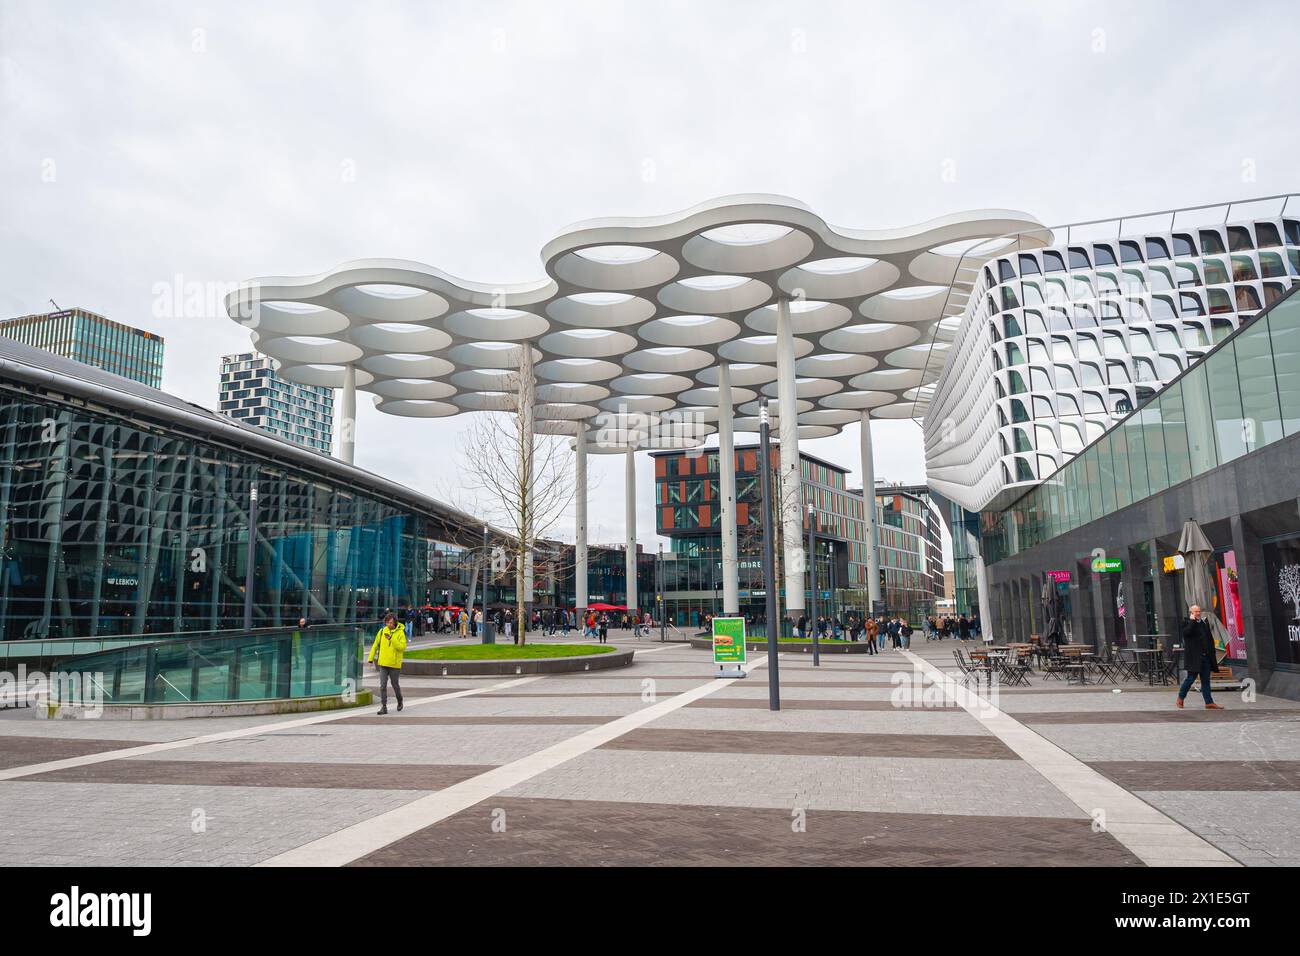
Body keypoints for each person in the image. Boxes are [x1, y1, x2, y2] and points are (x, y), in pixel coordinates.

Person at [1177, 605, 1223, 710]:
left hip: (1205, 657)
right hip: (1194, 658)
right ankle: (1181, 697)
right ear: (1191, 613)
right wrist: (1192, 622)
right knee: (1190, 679)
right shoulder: (1186, 623)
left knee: (1205, 680)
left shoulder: (1203, 623)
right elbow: (1186, 633)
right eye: (1195, 611)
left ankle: (1209, 702)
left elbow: (1209, 638)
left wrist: (1212, 652)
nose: (1198, 613)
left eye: (1199, 611)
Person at [368, 613, 407, 715]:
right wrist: (370, 659)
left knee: (395, 685)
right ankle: (384, 707)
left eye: (391, 623)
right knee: (382, 686)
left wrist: (391, 638)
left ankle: (400, 700)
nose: (389, 624)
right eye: (387, 622)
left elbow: (402, 647)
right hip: (383, 663)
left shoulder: (400, 633)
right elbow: (375, 645)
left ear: (395, 623)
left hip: (394, 664)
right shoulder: (382, 631)